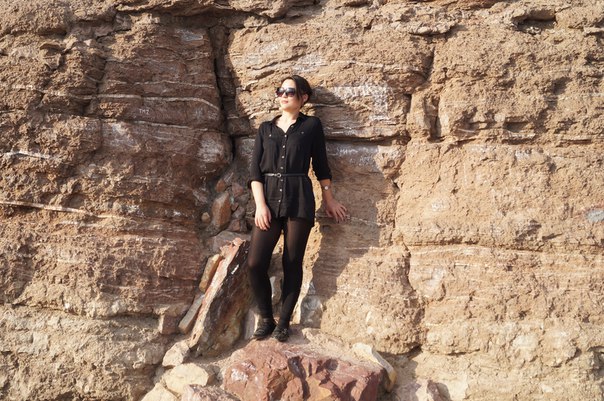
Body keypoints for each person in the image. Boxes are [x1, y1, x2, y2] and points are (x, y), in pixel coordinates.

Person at [245, 75, 347, 342]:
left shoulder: (311, 126)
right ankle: (266, 318)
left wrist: (329, 199)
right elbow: (255, 172)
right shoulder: (265, 129)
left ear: (303, 97)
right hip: (268, 199)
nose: (283, 95)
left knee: (292, 262)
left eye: (290, 91)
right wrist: (260, 206)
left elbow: (321, 166)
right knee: (255, 263)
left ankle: (283, 322)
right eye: (280, 91)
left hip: (299, 198)